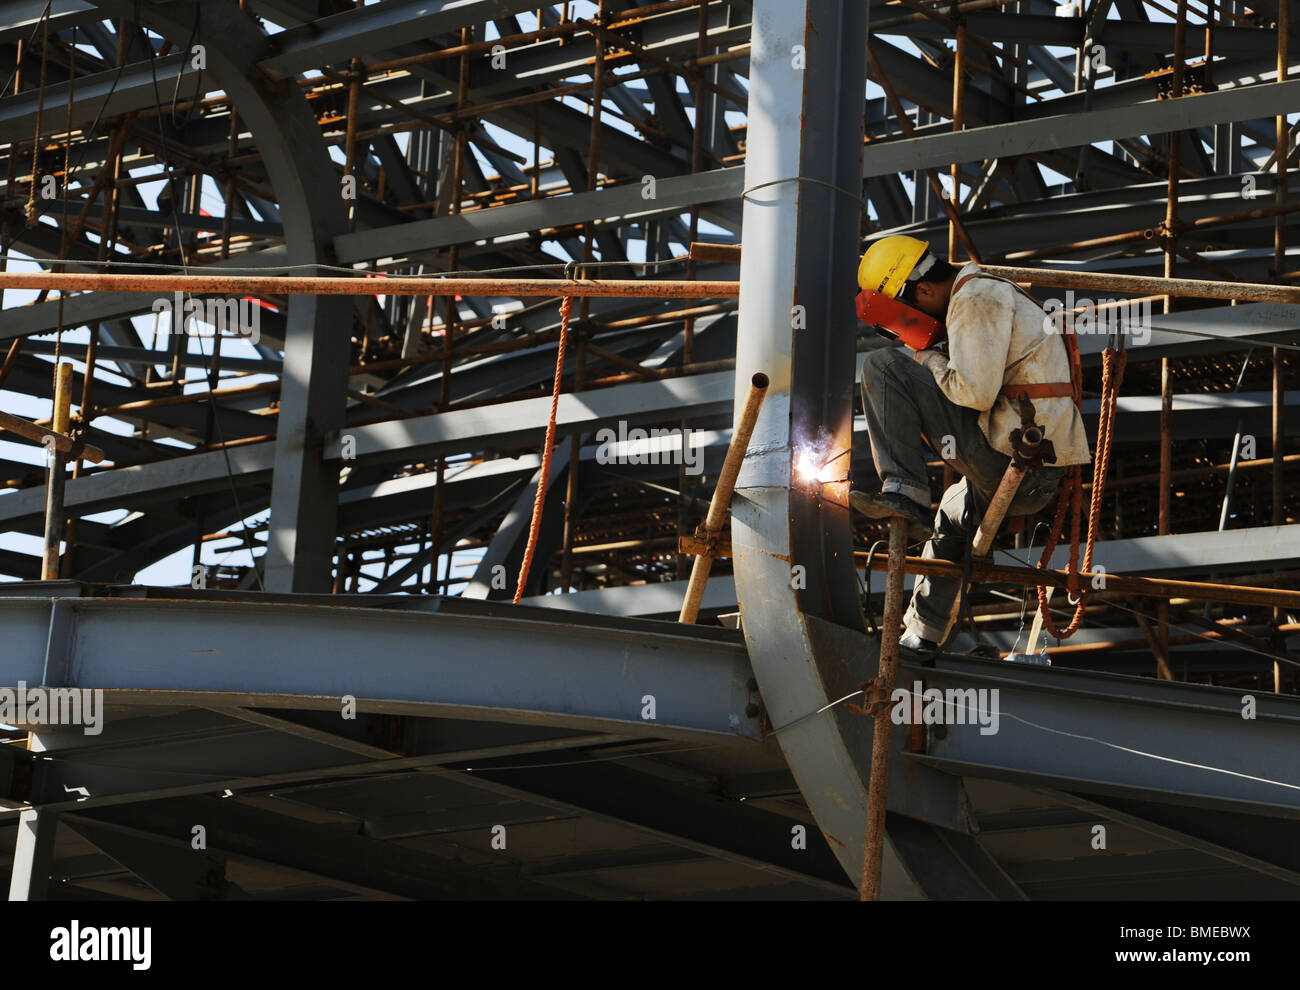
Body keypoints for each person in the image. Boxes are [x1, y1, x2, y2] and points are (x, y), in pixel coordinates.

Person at [851, 235, 1092, 653]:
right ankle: (922, 637)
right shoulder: (988, 291)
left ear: (924, 290)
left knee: (883, 366)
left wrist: (927, 358)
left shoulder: (976, 297)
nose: (915, 325)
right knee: (952, 517)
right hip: (1035, 475)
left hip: (1018, 456)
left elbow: (975, 394)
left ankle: (904, 490)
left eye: (910, 313)